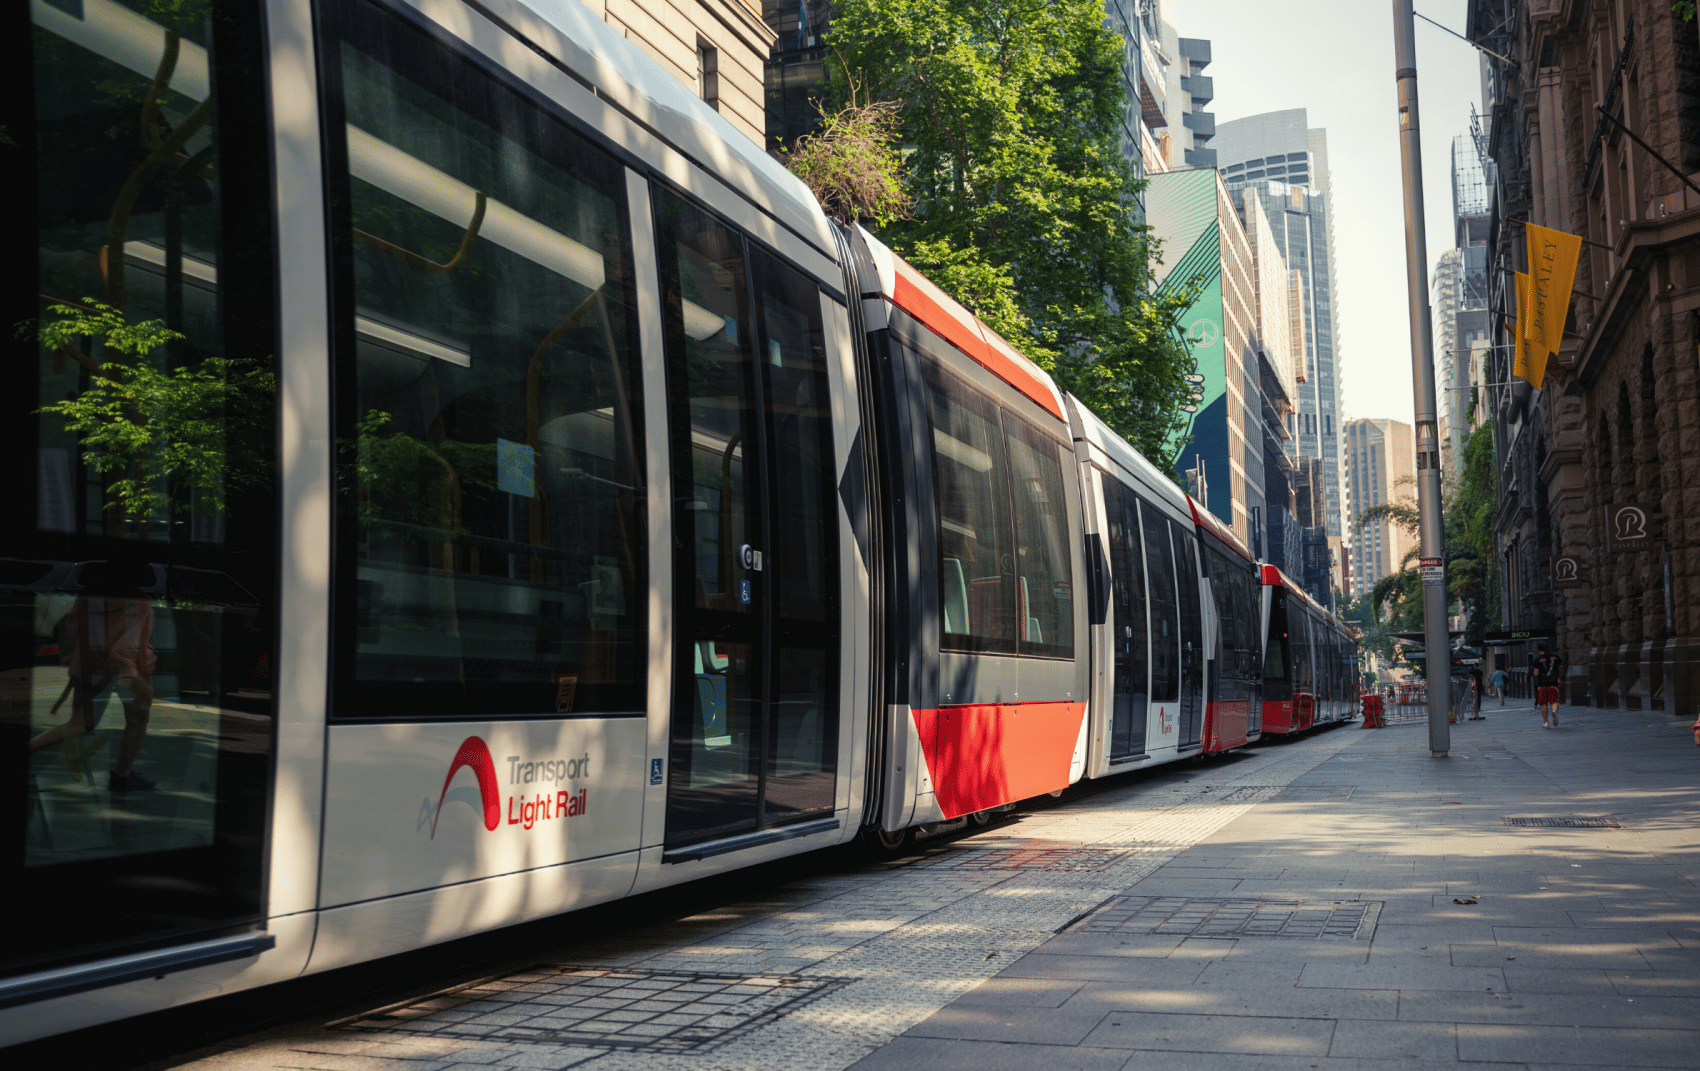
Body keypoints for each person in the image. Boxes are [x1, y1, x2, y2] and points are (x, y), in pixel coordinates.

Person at [29, 561, 158, 791]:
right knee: (138, 720)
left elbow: (70, 628)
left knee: (79, 723)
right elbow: (126, 646)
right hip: (127, 670)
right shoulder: (139, 600)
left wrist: (75, 654)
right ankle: (121, 775)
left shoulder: (87, 595)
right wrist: (129, 674)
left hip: (89, 667)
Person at [1531, 643, 1564, 728]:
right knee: (1555, 701)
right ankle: (1553, 711)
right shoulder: (1555, 656)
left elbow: (1536, 673)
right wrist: (1560, 679)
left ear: (1539, 650)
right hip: (1553, 684)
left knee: (1543, 703)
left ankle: (1545, 722)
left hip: (1542, 685)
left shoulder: (1538, 659)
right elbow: (1560, 669)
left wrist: (1534, 674)